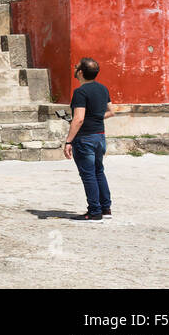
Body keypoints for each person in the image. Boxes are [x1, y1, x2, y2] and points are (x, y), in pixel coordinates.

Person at [63, 57, 114, 220]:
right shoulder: (103, 89)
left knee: (88, 174)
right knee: (99, 171)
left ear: (80, 72)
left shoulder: (80, 92)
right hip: (100, 136)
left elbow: (78, 119)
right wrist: (95, 118)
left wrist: (68, 141)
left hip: (85, 138)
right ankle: (106, 208)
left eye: (76, 66)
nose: (74, 68)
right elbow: (111, 111)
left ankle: (94, 211)